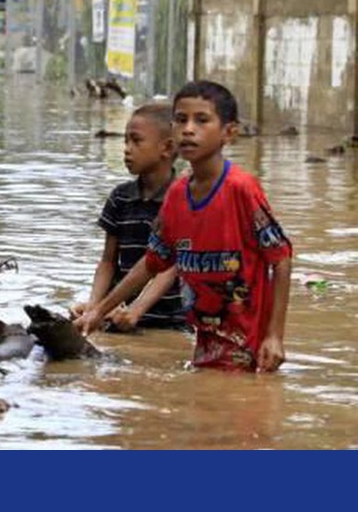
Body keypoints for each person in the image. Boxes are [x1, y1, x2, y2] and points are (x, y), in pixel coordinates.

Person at [76, 81, 294, 372]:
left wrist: (275, 336)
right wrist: (97, 311)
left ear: (229, 132)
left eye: (201, 120)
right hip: (205, 341)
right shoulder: (177, 196)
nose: (188, 129)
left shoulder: (241, 189)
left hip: (250, 346)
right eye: (181, 120)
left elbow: (281, 258)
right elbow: (151, 263)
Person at [71, 103, 186, 332]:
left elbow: (171, 266)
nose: (126, 149)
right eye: (126, 141)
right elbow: (108, 261)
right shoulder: (120, 198)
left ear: (167, 147)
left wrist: (137, 310)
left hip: (169, 322)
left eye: (136, 140)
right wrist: (95, 307)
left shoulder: (183, 200)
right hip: (117, 314)